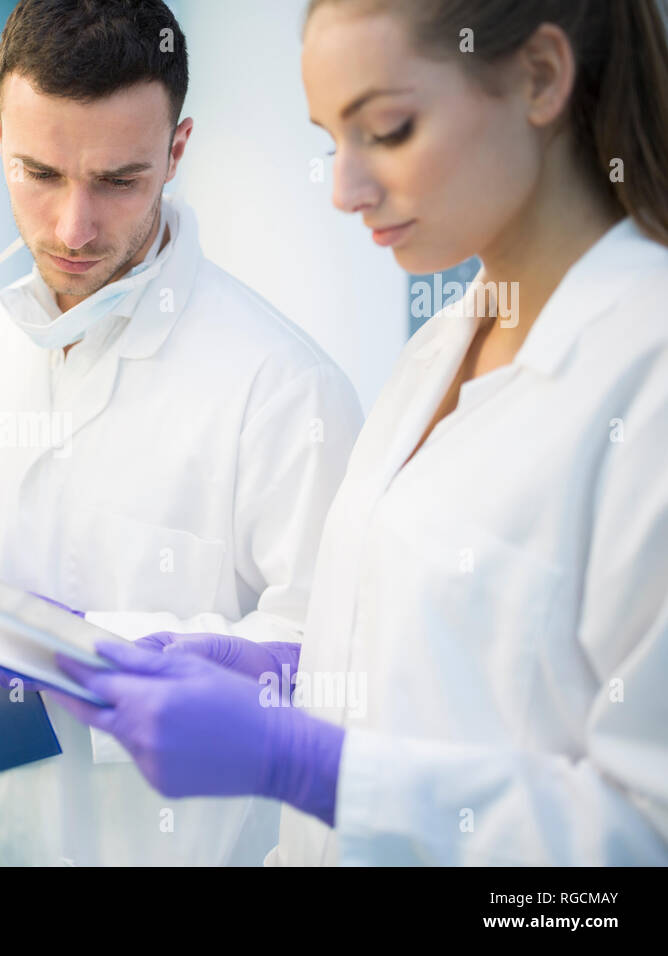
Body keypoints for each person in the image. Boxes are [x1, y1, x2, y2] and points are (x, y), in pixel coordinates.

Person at [52, 0, 668, 865]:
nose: (344, 190)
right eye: (330, 140)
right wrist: (282, 679)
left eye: (388, 128)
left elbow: (638, 845)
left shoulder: (648, 376)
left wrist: (309, 767)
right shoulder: (439, 351)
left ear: (539, 78)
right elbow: (448, 678)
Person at [0, 0, 363, 866]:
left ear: (176, 150)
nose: (73, 229)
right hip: (10, 822)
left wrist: (117, 646)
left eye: (119, 179)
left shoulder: (286, 390)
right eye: (39, 173)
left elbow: (342, 664)